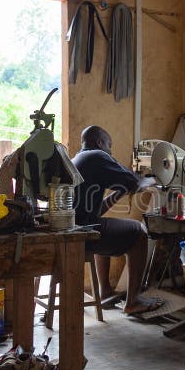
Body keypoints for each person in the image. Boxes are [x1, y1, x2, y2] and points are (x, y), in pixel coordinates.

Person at [72, 125, 161, 315]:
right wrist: (155, 179)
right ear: (99, 142)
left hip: (76, 229)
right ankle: (133, 301)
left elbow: (97, 212)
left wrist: (120, 191)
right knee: (139, 232)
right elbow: (137, 183)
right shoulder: (98, 156)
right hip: (83, 232)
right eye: (109, 145)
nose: (111, 151)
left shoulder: (78, 158)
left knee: (103, 226)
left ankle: (105, 291)